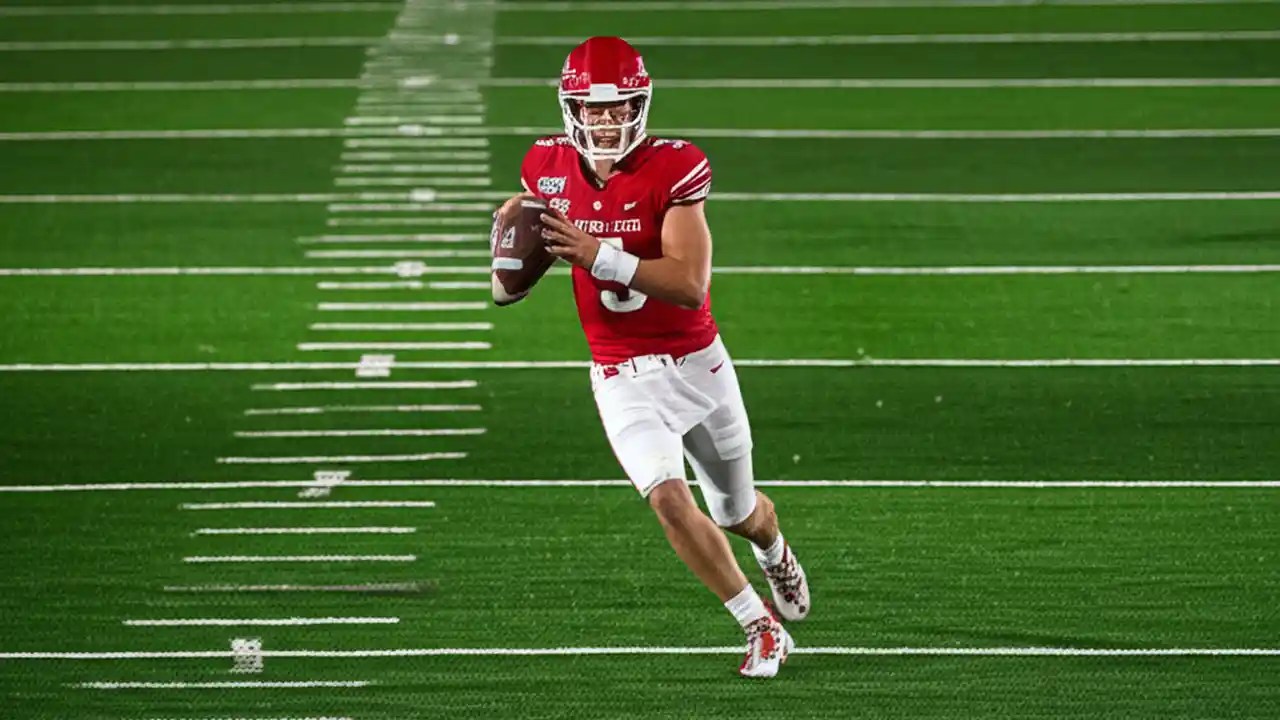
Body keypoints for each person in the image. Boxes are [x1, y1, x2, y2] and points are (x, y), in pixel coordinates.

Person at [493, 36, 810, 678]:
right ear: (570, 108)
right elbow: (513, 254)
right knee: (667, 497)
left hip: (696, 364)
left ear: (640, 107)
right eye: (592, 109)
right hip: (618, 373)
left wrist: (596, 254)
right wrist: (507, 261)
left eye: (618, 109)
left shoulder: (676, 167)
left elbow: (690, 283)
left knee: (736, 510)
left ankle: (773, 547)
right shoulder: (544, 168)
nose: (604, 122)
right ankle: (759, 626)